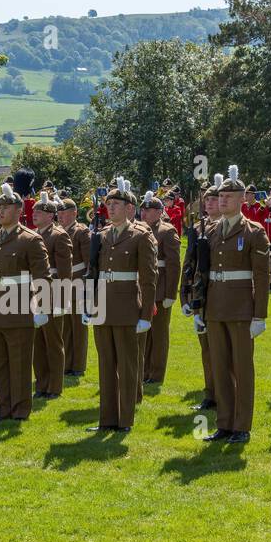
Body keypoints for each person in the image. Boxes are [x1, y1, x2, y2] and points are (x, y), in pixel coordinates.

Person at [201, 171, 270, 443]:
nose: (223, 201)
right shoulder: (211, 231)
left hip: (242, 309)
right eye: (220, 196)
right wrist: (201, 309)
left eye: (229, 196)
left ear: (242, 199)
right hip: (216, 307)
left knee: (242, 367)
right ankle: (225, 423)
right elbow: (203, 273)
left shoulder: (254, 231)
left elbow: (262, 277)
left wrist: (259, 315)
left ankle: (242, 425)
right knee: (219, 367)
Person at [87, 180, 157, 434]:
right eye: (108, 205)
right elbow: (93, 274)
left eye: (115, 204)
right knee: (106, 365)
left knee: (127, 367)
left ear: (129, 208)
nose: (111, 209)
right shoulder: (102, 236)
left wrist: (146, 314)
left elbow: (149, 278)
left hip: (128, 307)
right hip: (103, 307)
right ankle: (107, 419)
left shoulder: (140, 235)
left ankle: (125, 419)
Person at [0, 182, 51, 423]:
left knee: (19, 362)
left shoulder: (31, 240)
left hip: (18, 304)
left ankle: (20, 411)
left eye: (5, 207)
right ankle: (4, 409)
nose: (0, 212)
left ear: (19, 210)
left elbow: (42, 277)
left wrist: (41, 307)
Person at [180, 184, 222, 410]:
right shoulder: (197, 228)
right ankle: (211, 393)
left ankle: (224, 393)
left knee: (222, 349)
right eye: (207, 200)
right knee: (206, 348)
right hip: (200, 293)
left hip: (220, 294)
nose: (209, 203)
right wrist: (184, 296)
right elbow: (189, 263)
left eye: (214, 199)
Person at [32, 191, 72, 399]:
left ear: (50, 215)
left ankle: (54, 386)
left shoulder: (59, 235)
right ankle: (41, 384)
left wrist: (62, 300)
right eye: (34, 210)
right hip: (34, 292)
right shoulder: (33, 234)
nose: (35, 214)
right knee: (37, 343)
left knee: (53, 342)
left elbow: (65, 272)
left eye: (39, 211)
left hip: (53, 290)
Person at [140, 190, 181, 384]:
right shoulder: (139, 230)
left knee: (158, 334)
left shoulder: (167, 231)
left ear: (158, 212)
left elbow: (173, 265)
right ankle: (144, 370)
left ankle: (156, 374)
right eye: (142, 210)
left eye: (148, 210)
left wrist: (171, 293)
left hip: (160, 288)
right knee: (144, 334)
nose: (144, 214)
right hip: (143, 289)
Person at [57, 196, 91, 377]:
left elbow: (88, 263)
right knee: (65, 327)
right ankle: (66, 363)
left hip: (78, 282)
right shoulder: (58, 232)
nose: (60, 216)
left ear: (74, 213)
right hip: (63, 284)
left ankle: (78, 365)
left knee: (78, 327)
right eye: (59, 213)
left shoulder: (81, 232)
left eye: (64, 213)